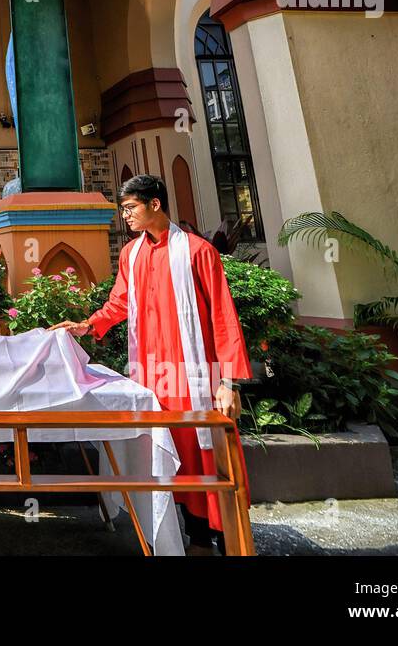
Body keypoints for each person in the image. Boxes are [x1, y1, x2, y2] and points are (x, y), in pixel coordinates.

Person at [51, 173, 251, 555]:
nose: (125, 216)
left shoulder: (197, 252)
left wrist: (230, 381)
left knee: (205, 457)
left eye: (130, 208)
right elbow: (119, 303)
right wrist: (87, 324)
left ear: (154, 204)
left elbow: (224, 317)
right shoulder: (132, 254)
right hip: (153, 378)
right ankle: (191, 539)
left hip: (196, 378)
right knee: (165, 457)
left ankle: (223, 539)